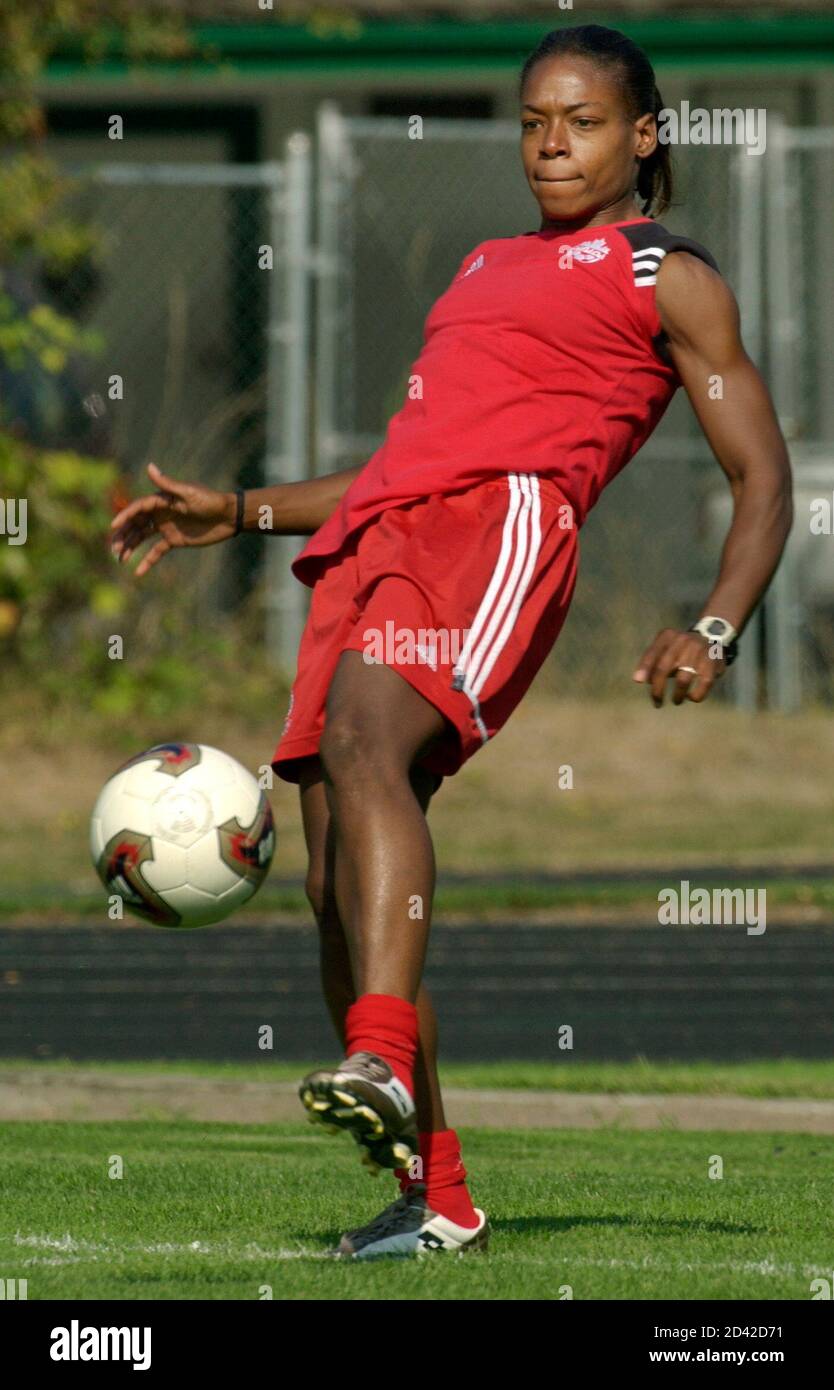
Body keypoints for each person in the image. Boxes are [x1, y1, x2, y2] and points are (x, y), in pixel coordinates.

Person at [110, 24, 793, 1260]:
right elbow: (400, 466)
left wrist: (715, 624)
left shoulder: (664, 272)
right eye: (534, 120)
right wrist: (242, 509)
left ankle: (373, 1054)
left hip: (502, 531)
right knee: (330, 888)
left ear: (643, 136)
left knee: (372, 746)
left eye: (582, 121)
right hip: (379, 540)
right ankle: (442, 1195)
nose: (551, 143)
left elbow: (765, 477)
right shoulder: (480, 264)